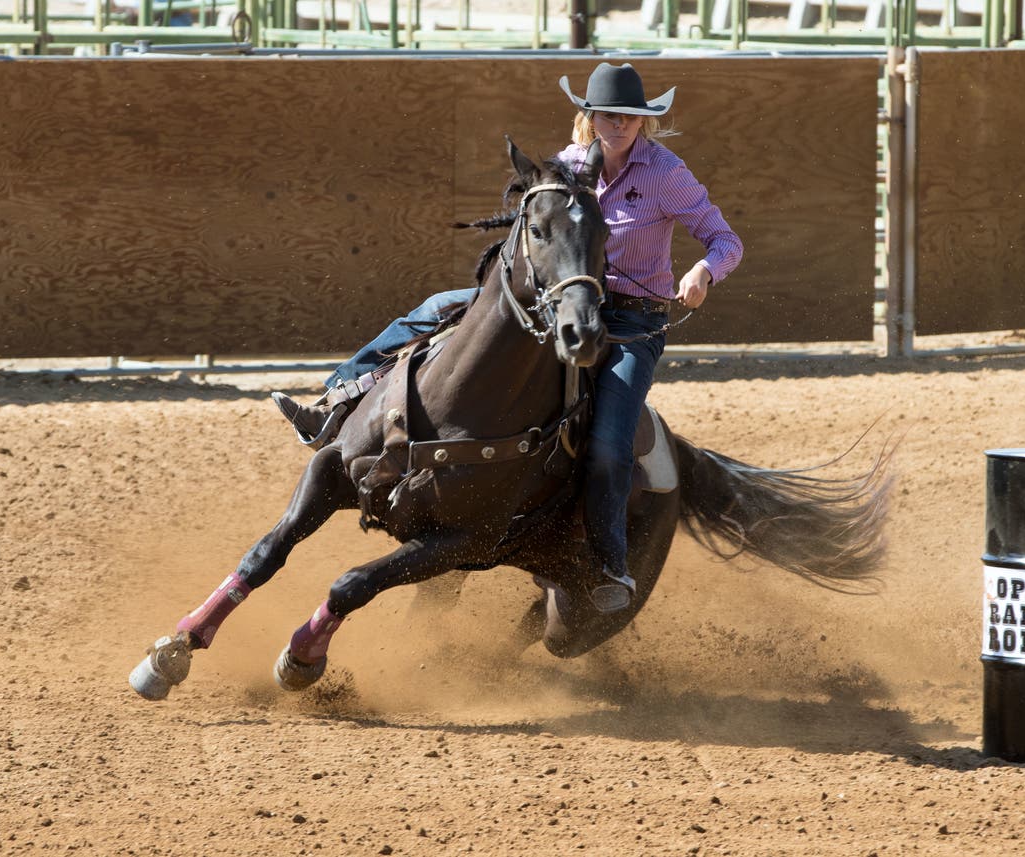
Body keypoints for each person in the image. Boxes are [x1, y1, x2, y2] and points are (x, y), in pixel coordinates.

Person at [272, 62, 743, 606]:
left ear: (645, 122)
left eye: (632, 117)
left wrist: (703, 272)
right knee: (436, 309)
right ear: (589, 116)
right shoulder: (565, 169)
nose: (620, 125)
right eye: (609, 115)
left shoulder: (664, 173)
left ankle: (611, 563)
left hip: (630, 323)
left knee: (611, 445)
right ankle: (334, 402)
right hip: (558, 304)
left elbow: (723, 238)